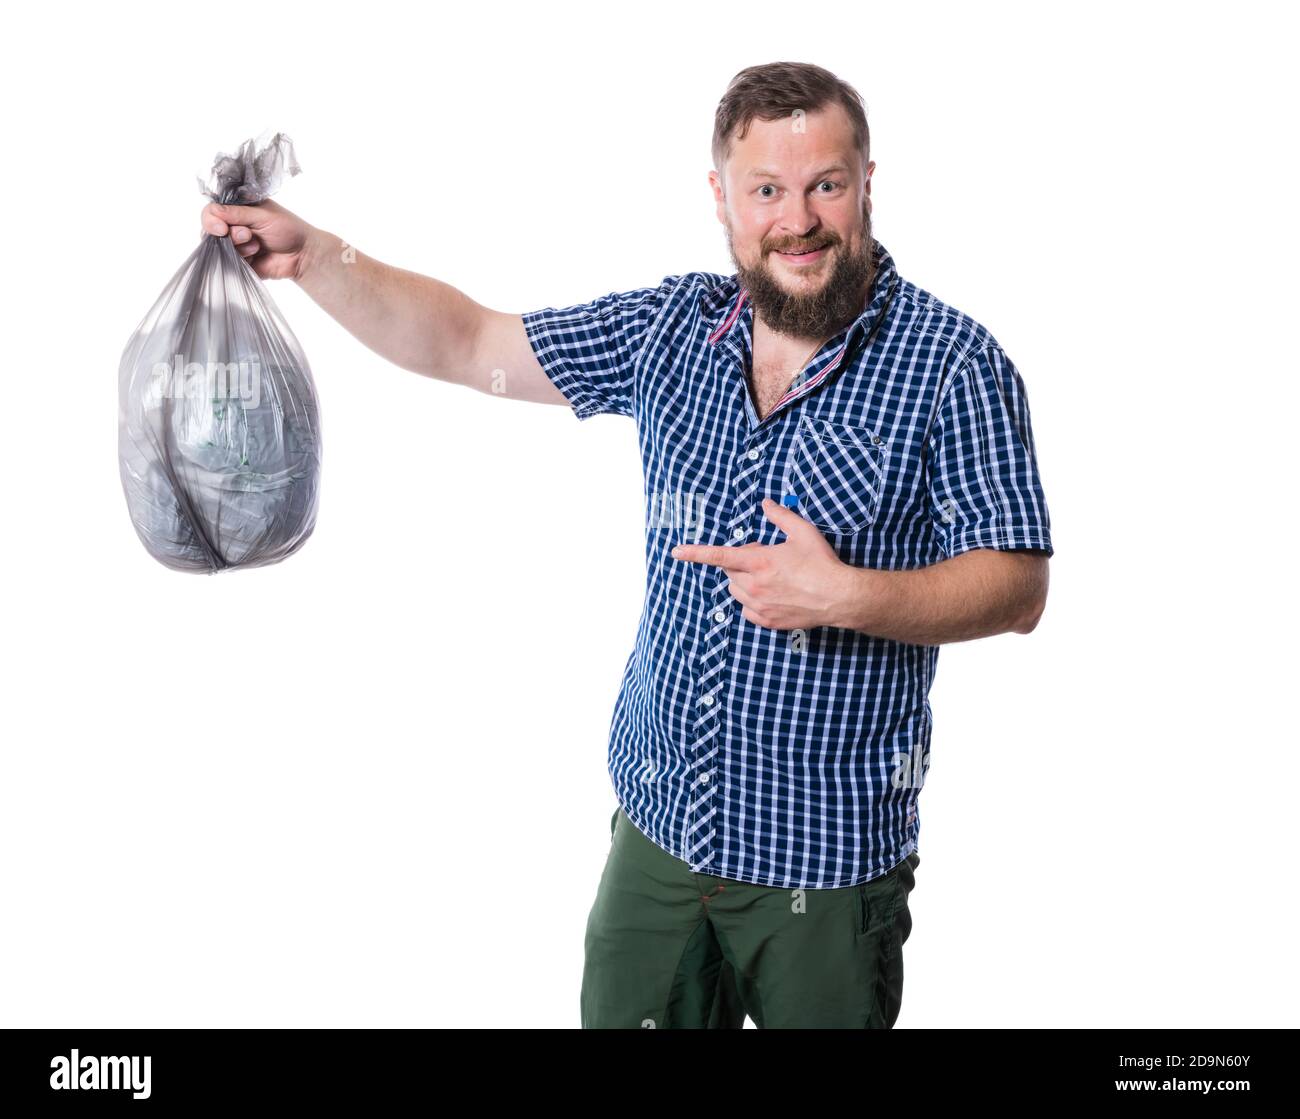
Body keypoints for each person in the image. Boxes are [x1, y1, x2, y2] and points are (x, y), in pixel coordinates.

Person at [202, 60, 1053, 1029]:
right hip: (657, 840)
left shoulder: (954, 366)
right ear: (722, 199)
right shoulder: (669, 331)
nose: (798, 218)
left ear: (866, 184)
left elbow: (1017, 587)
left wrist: (843, 594)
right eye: (766, 190)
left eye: (825, 184)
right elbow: (468, 341)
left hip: (827, 869)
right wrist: (314, 255)